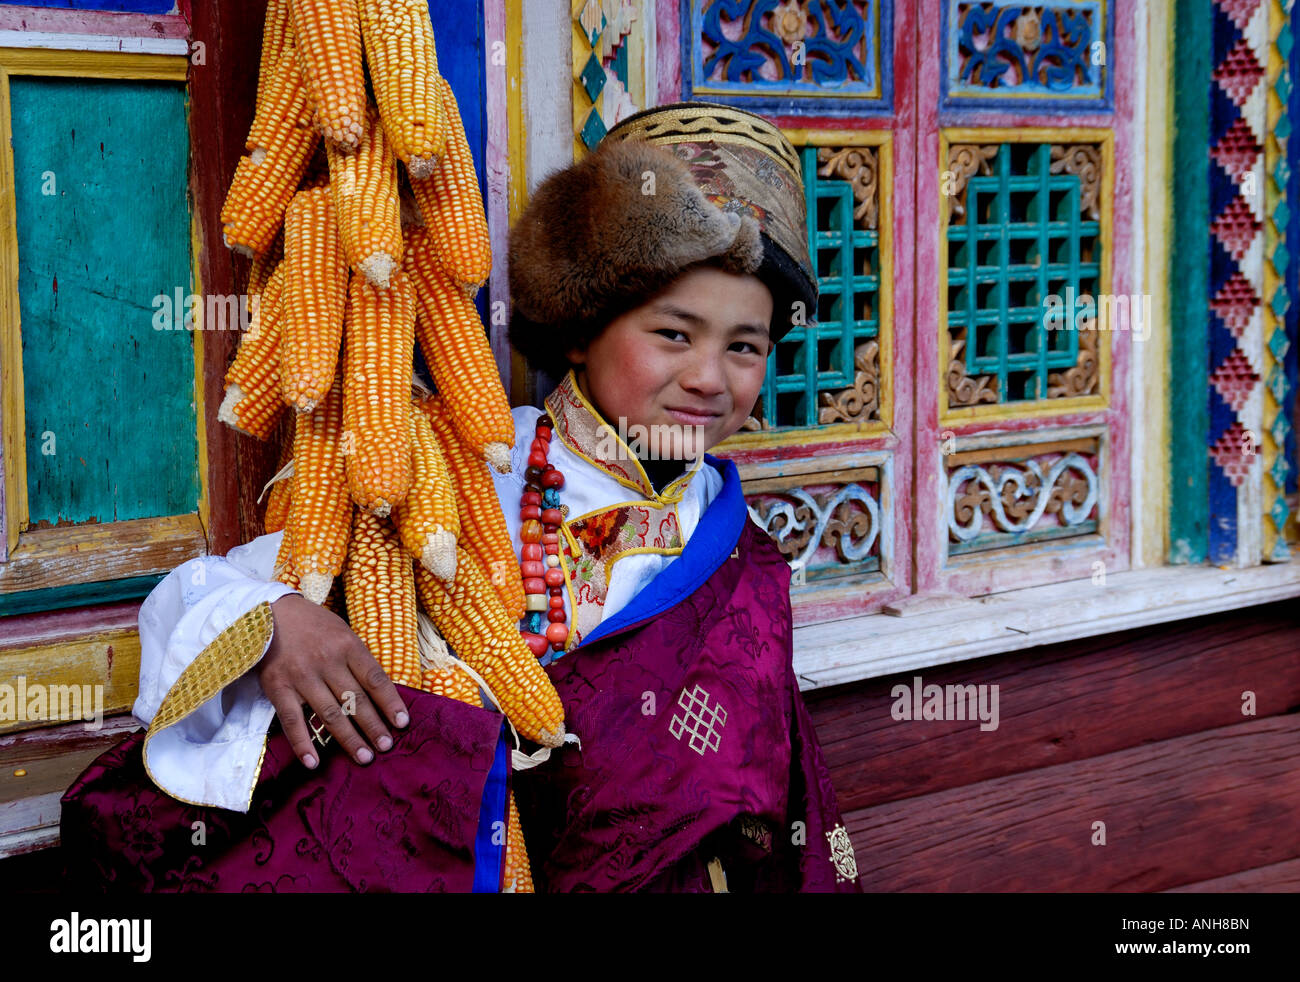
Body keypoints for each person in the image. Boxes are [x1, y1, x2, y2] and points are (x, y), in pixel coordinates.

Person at [66, 101, 861, 892]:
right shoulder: (467, 463)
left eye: (745, 347)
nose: (709, 378)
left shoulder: (738, 550)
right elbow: (201, 594)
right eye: (674, 334)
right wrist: (276, 624)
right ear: (582, 329)